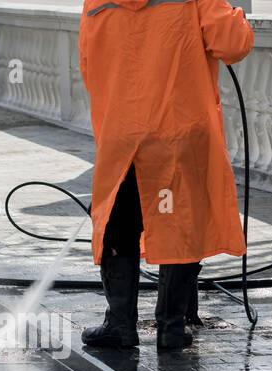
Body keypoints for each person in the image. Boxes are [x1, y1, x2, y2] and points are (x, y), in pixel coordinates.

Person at [78, 0, 255, 350]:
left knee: (120, 222)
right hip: (179, 130)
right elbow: (233, 45)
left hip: (122, 130)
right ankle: (171, 327)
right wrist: (233, 14)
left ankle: (119, 324)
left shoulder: (96, 1)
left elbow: (87, 62)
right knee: (179, 221)